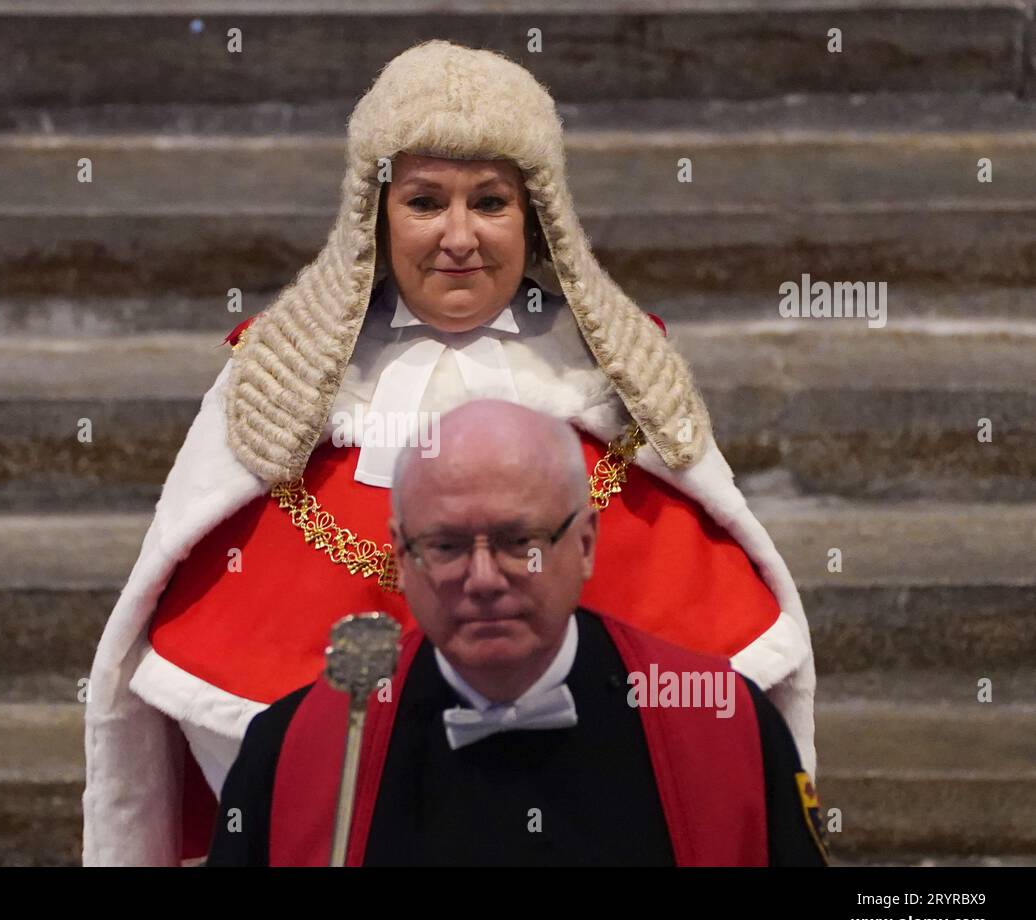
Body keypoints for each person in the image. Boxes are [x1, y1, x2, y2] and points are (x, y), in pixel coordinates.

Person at [83, 40, 816, 866]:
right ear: (377, 213)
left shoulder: (625, 375)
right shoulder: (270, 375)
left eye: (491, 201)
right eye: (426, 201)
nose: (459, 238)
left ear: (536, 214)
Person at [206, 400, 828, 866]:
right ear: (400, 554)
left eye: (518, 542)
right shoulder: (297, 754)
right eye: (446, 546)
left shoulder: (721, 725)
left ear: (585, 544)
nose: (483, 579)